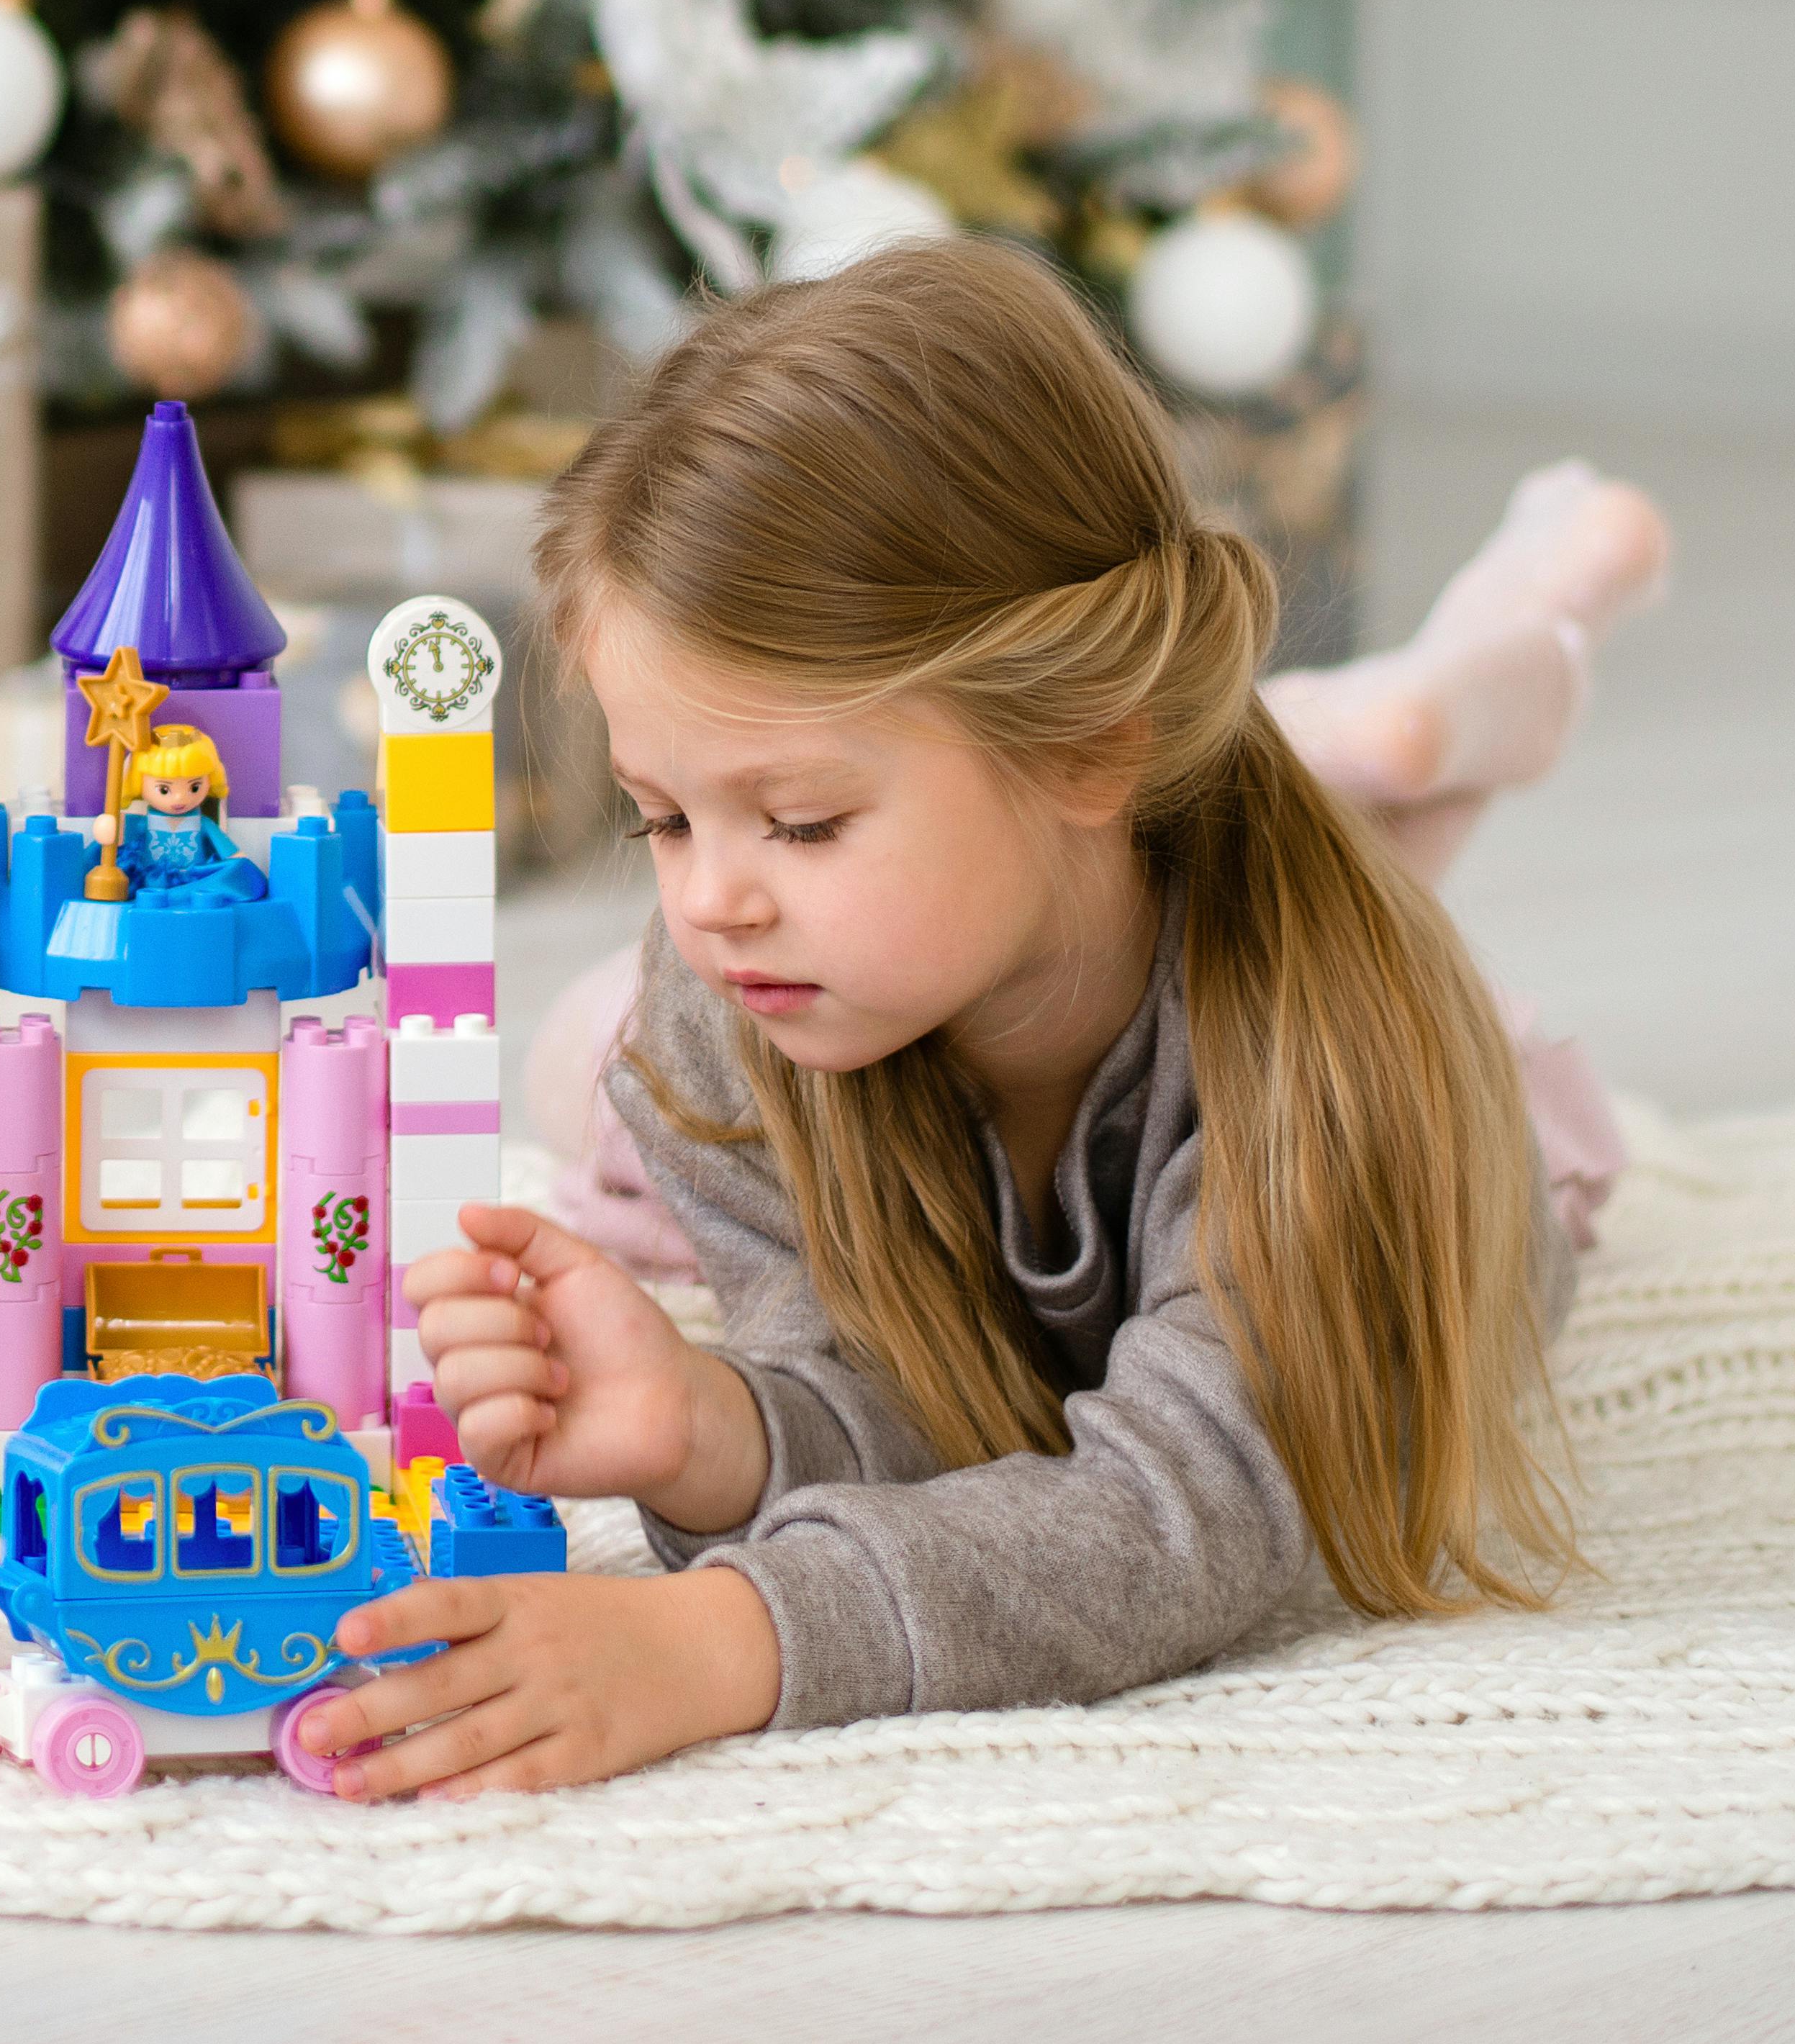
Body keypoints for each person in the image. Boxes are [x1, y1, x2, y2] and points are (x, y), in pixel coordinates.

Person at [294, 241, 1611, 1800]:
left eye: (799, 820)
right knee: (599, 1052)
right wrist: (715, 1426)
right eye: (664, 816)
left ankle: (1510, 636)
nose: (709, 900)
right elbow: (937, 1410)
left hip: (1474, 1103)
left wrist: (726, 1640)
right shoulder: (732, 1012)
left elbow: (1177, 1512)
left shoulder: (1341, 1081)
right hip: (1099, 898)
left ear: (1087, 743)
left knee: (1376, 782)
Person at [105, 724, 264, 897]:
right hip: (152, 883)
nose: (180, 799)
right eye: (164, 790)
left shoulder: (203, 824)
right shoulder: (143, 824)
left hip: (194, 883)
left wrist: (244, 870)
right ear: (138, 782)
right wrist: (106, 831)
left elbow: (233, 856)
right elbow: (117, 844)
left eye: (194, 787)